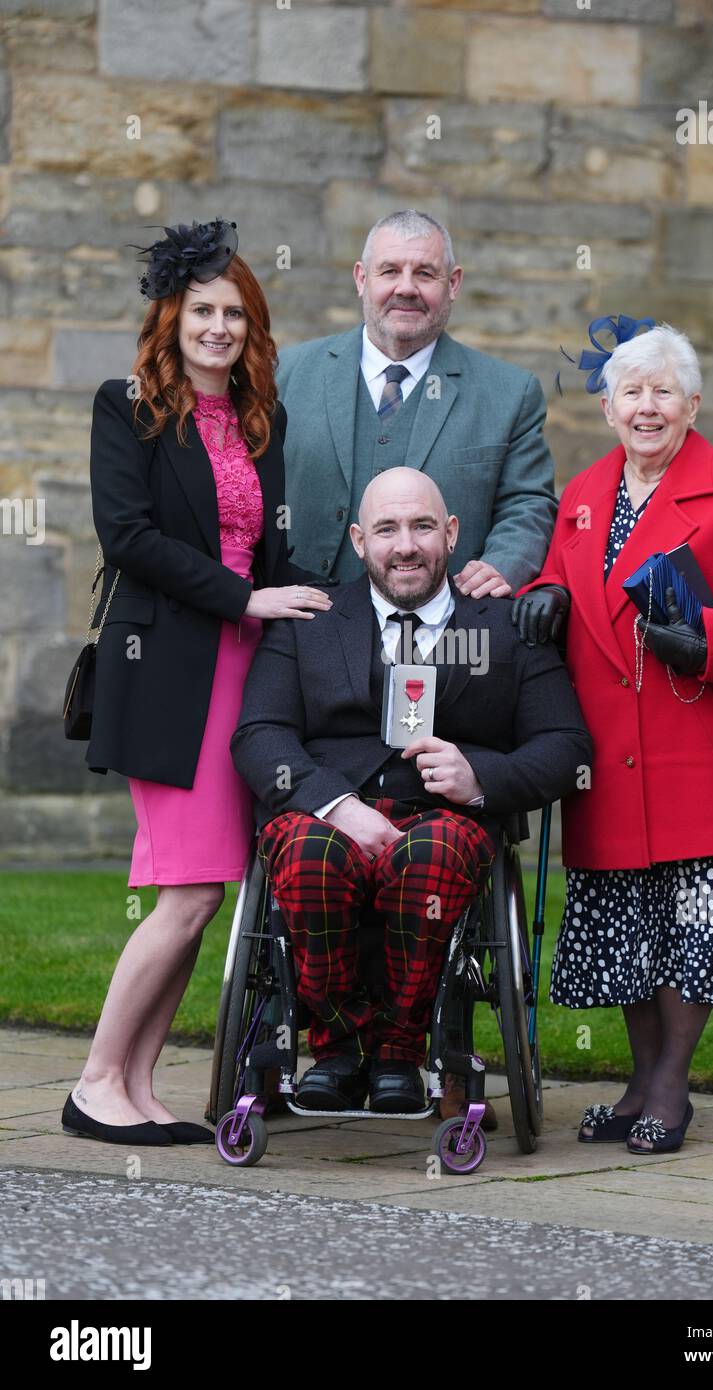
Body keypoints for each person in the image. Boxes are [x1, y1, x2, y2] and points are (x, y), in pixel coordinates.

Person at [512, 319, 713, 1154]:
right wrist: (541, 592)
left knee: (688, 927)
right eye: (629, 393)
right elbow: (571, 581)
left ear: (691, 403)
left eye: (662, 392)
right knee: (622, 930)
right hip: (603, 750)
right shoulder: (580, 495)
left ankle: (671, 1092)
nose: (646, 408)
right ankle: (639, 1083)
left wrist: (710, 639)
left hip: (694, 742)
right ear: (606, 407)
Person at [62, 219, 332, 1148]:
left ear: (251, 328)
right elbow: (128, 540)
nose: (217, 327)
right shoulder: (127, 405)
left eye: (234, 313)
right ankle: (95, 1080)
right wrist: (249, 597)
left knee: (201, 889)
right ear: (172, 318)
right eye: (201, 310)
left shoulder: (261, 419)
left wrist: (315, 603)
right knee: (187, 892)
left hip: (242, 665)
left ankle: (136, 1083)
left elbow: (270, 547)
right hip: (165, 667)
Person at [231, 468, 591, 1116]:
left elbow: (565, 744)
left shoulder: (506, 626)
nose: (406, 545)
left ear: (450, 534)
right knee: (313, 858)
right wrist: (336, 805)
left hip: (446, 817)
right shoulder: (308, 619)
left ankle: (399, 1051)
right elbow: (259, 734)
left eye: (422, 526)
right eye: (388, 529)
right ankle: (336, 1048)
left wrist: (483, 778)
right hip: (326, 808)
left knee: (429, 859)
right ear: (359, 539)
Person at [274, 208, 558, 598]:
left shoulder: (510, 393)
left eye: (425, 273)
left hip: (447, 630)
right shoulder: (284, 374)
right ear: (361, 278)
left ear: (453, 284)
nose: (406, 288)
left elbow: (527, 503)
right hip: (303, 623)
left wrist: (502, 564)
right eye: (389, 271)